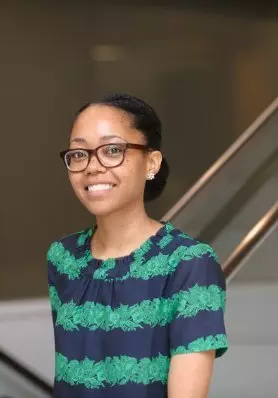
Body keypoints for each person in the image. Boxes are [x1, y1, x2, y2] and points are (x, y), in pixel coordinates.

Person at [47, 94, 228, 397]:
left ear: (151, 163)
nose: (92, 166)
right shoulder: (62, 258)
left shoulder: (189, 264)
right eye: (79, 154)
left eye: (113, 149)